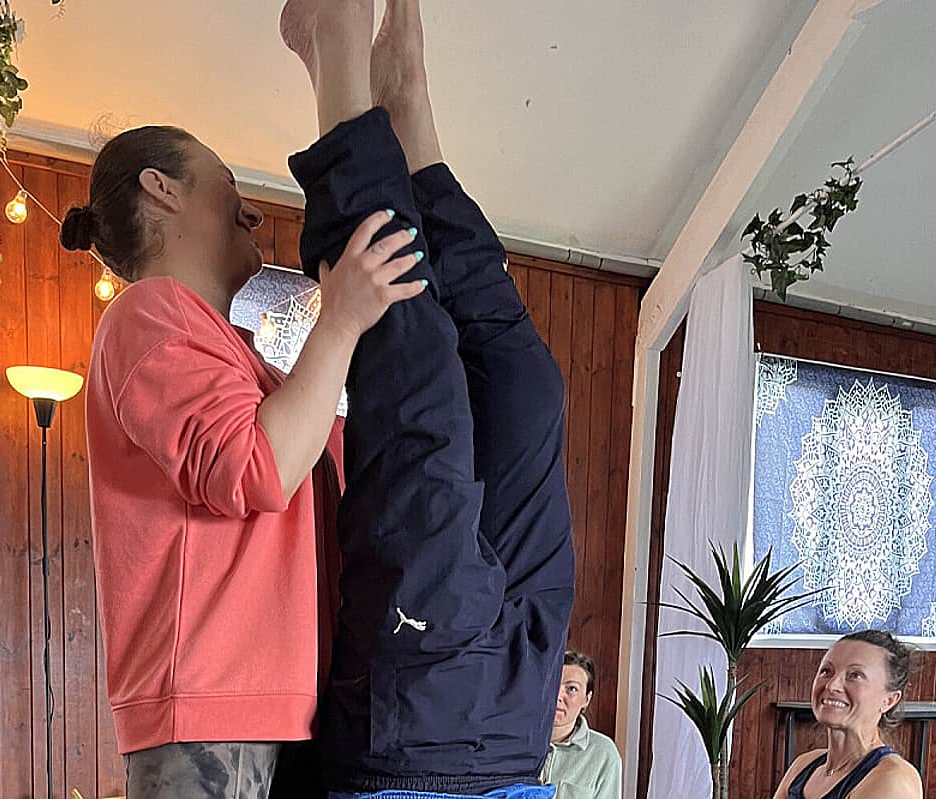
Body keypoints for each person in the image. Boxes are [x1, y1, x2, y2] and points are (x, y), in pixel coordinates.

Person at [67, 87, 425, 799]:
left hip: (266, 705)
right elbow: (256, 467)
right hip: (211, 705)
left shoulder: (240, 360)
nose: (253, 210)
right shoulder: (149, 314)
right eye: (228, 184)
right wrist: (341, 321)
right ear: (160, 189)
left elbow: (303, 465)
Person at [280, 0, 576, 795]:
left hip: (413, 749)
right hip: (521, 729)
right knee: (524, 386)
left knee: (417, 377)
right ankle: (410, 117)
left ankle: (334, 61)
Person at [772, 630, 922, 799]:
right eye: (827, 671)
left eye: (855, 675)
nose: (831, 685)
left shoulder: (892, 779)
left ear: (889, 700)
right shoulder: (802, 766)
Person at [541, 652, 622, 799]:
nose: (558, 696)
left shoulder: (603, 753)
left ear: (586, 699)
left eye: (571, 689)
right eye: (553, 684)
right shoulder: (513, 742)